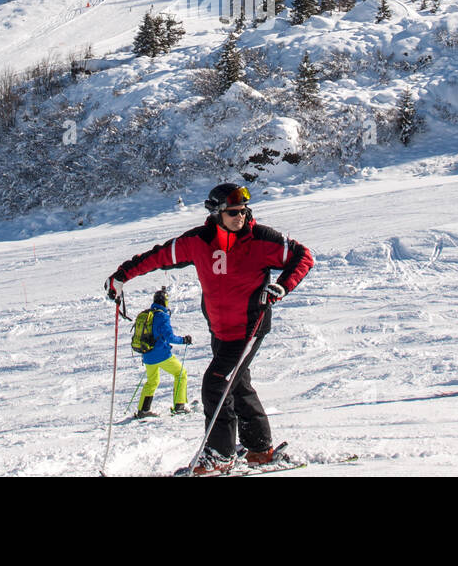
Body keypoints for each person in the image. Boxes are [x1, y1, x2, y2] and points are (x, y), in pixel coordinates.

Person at [107, 183, 313, 475]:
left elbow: (304, 257)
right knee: (237, 385)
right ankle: (259, 450)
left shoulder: (261, 239)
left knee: (216, 382)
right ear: (217, 213)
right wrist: (122, 276)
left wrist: (283, 285)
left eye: (242, 211)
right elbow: (159, 256)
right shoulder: (199, 241)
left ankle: (220, 455)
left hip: (249, 327)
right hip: (219, 329)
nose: (239, 217)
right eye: (232, 212)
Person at [134, 288, 192, 418]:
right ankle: (180, 405)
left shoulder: (148, 314)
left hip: (147, 354)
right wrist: (184, 340)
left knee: (152, 381)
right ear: (165, 302)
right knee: (181, 373)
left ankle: (143, 410)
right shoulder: (162, 316)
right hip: (161, 355)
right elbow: (170, 337)